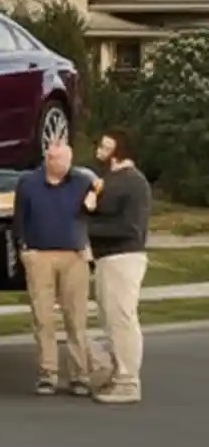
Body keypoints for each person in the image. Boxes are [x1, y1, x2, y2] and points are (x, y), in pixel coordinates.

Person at [12, 141, 96, 396]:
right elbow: (19, 218)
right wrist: (24, 249)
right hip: (40, 255)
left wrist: (87, 245)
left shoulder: (82, 182)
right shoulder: (29, 183)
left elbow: (95, 213)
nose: (65, 166)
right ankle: (47, 373)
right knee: (43, 317)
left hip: (74, 255)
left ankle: (80, 375)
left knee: (76, 317)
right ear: (49, 159)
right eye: (60, 160)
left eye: (68, 161)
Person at [84, 128, 152, 405]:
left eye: (105, 145)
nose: (100, 148)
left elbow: (129, 228)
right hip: (107, 259)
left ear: (118, 149)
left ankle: (128, 382)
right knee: (110, 321)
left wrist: (86, 226)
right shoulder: (111, 179)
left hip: (124, 259)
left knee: (122, 320)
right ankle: (115, 374)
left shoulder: (134, 183)